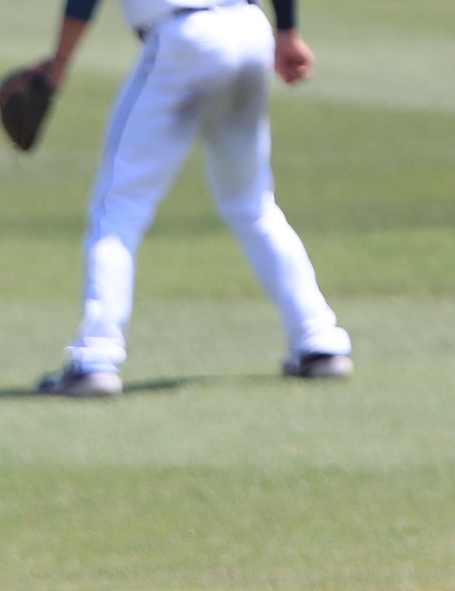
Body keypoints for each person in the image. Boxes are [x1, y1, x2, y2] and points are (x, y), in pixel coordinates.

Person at [34, 0, 352, 397]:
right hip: (250, 30)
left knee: (117, 210)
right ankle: (320, 343)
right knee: (253, 205)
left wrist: (57, 66)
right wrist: (287, 31)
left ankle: (94, 359)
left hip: (184, 39)